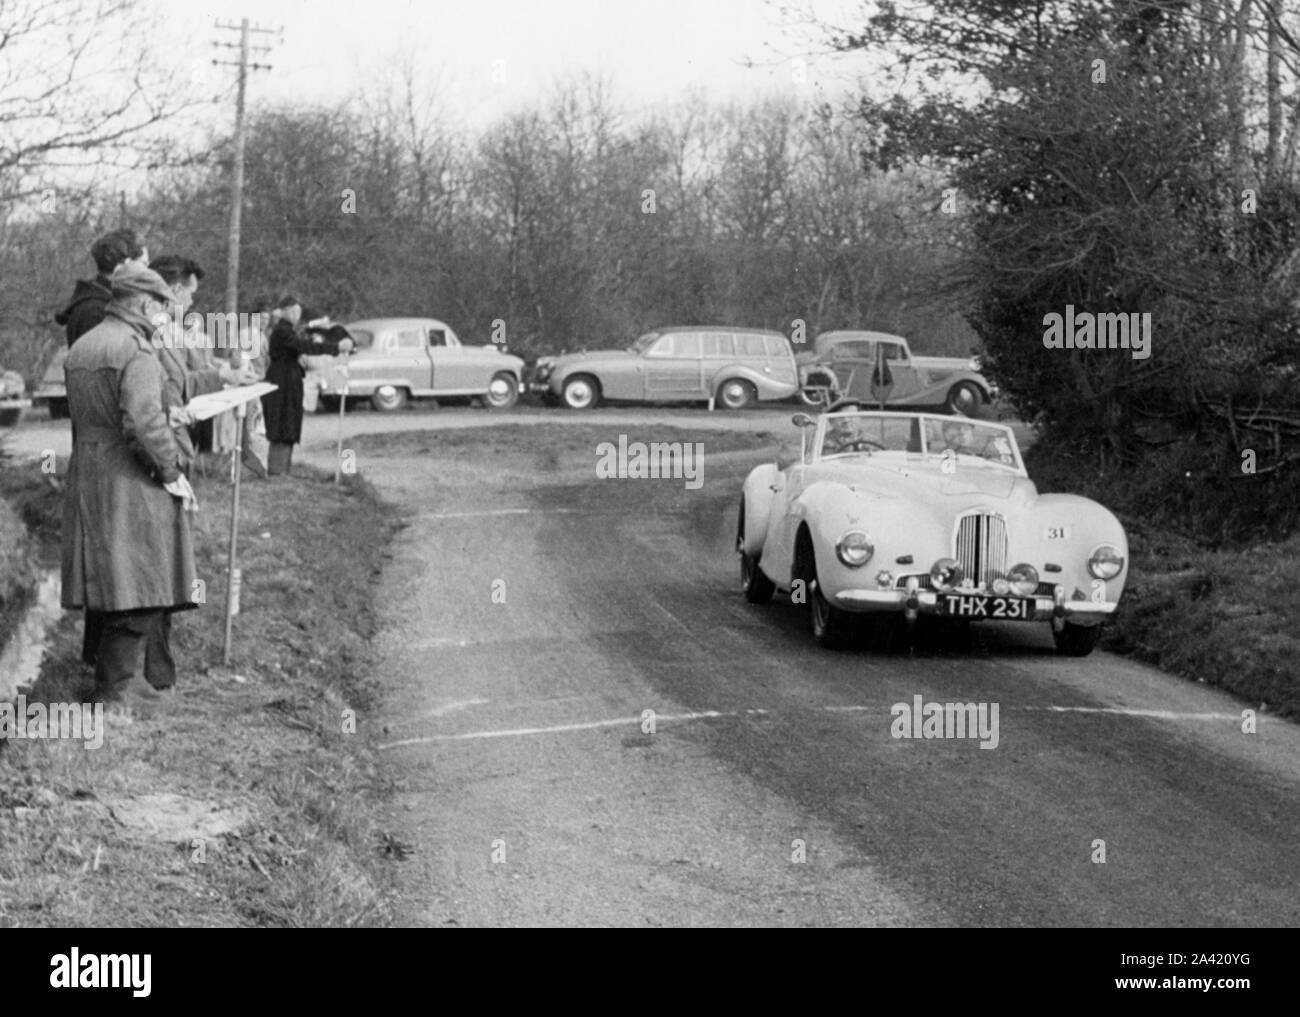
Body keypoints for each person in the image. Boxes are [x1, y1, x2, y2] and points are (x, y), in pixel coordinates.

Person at [60, 264, 199, 711]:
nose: (163, 313)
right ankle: (116, 688)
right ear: (142, 303)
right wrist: (172, 472)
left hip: (89, 469)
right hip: (128, 476)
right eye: (160, 305)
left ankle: (119, 680)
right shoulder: (137, 350)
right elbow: (141, 424)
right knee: (141, 575)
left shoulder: (84, 345)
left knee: (112, 576)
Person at [148, 255, 258, 476]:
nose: (190, 302)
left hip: (170, 437)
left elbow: (181, 381)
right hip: (158, 441)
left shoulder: (168, 328)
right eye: (190, 294)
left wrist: (225, 376)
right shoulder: (152, 328)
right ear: (177, 290)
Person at [260, 295, 353, 476]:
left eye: (298, 311)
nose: (297, 314)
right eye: (293, 311)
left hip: (288, 382)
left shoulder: (287, 330)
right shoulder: (282, 331)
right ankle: (277, 472)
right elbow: (305, 346)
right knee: (282, 429)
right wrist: (336, 348)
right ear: (284, 312)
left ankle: (282, 471)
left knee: (287, 428)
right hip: (283, 385)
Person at [55, 229, 149, 347]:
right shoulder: (94, 313)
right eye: (143, 264)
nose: (148, 272)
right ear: (123, 266)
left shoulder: (107, 303)